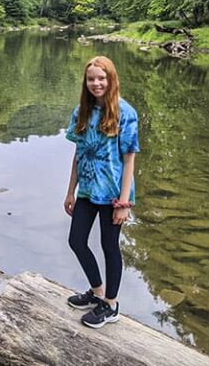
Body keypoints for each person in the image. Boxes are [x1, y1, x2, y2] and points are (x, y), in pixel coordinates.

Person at [63, 55, 139, 328]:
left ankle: (111, 304)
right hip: (86, 190)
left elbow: (129, 158)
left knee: (109, 246)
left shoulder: (125, 112)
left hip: (113, 193)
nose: (97, 83)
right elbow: (78, 152)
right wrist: (70, 191)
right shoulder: (81, 111)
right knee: (77, 241)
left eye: (102, 78)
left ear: (111, 79)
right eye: (91, 79)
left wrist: (124, 202)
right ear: (86, 82)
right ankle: (97, 293)